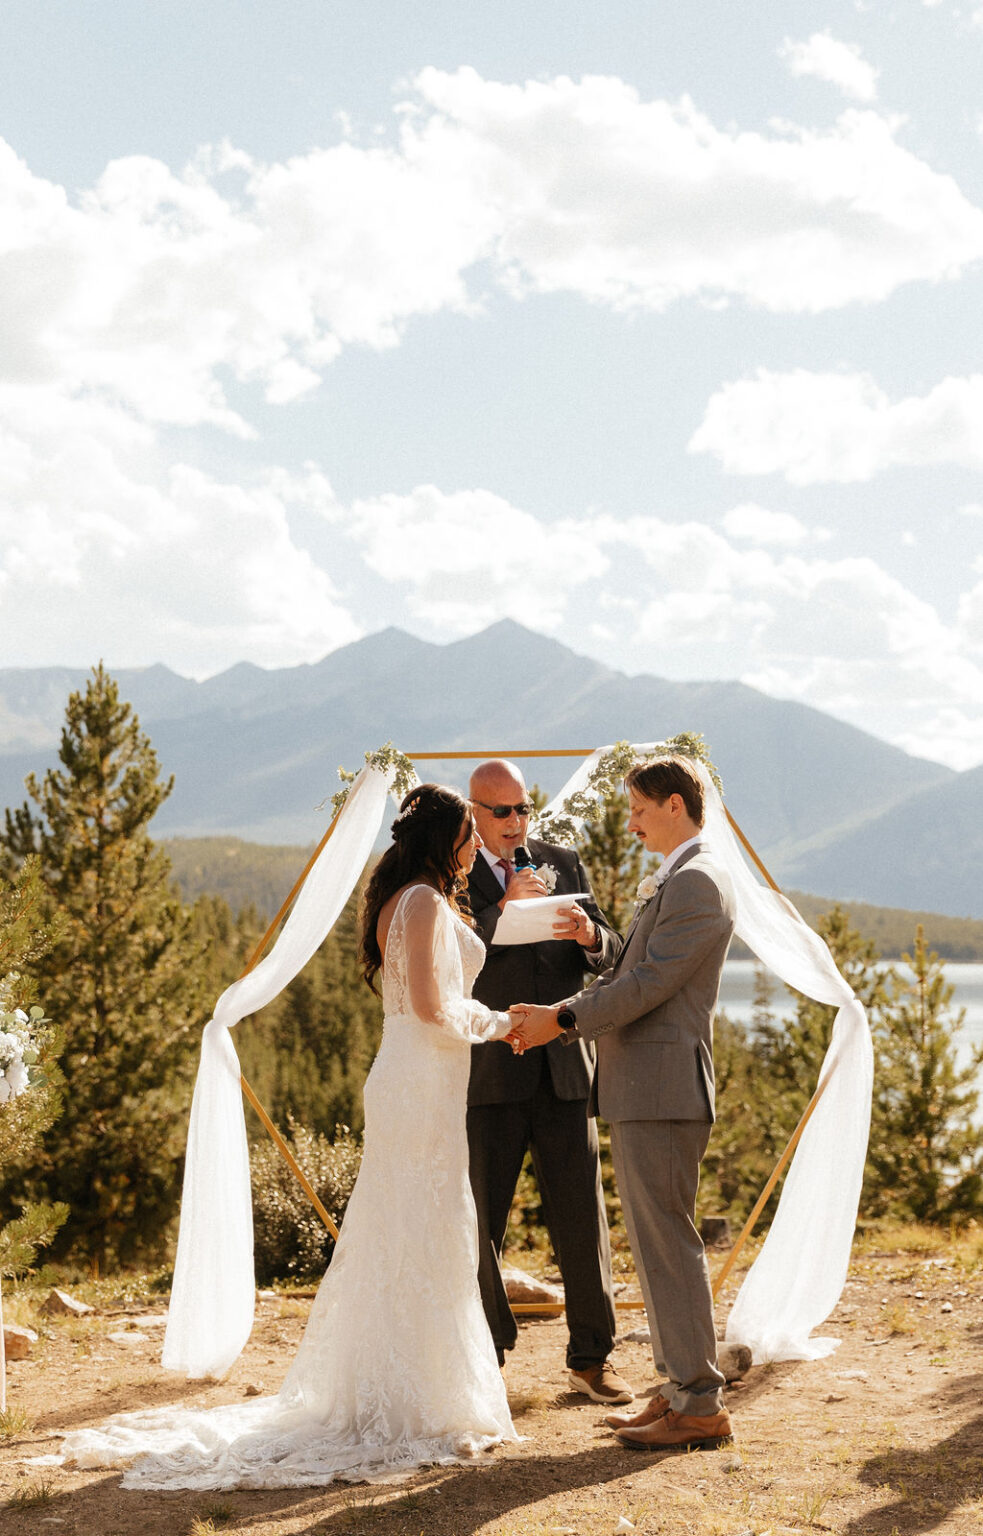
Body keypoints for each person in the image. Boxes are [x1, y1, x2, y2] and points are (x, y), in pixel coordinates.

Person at [50, 785, 519, 1489]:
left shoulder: (413, 898)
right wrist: (501, 1022)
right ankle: (412, 1400)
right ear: (444, 841)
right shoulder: (421, 901)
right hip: (419, 1078)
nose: (478, 842)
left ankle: (417, 1388)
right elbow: (427, 1005)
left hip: (425, 1078)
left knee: (412, 1227)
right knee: (417, 1226)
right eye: (468, 833)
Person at [509, 755, 736, 1452]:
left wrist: (561, 1017)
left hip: (663, 1088)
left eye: (638, 810)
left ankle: (699, 1403)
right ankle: (674, 1390)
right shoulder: (680, 878)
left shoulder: (697, 881)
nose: (631, 824)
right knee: (655, 1245)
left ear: (674, 805)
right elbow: (635, 972)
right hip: (644, 1087)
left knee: (669, 1247)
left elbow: (651, 988)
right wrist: (594, 947)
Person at [466, 758, 632, 1405]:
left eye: (522, 809)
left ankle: (591, 1359)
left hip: (563, 1067)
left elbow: (612, 953)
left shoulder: (562, 860)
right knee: (481, 1223)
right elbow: (446, 955)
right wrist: (501, 912)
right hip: (489, 1071)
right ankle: (486, 1358)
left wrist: (591, 934)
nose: (516, 823)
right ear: (474, 814)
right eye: (501, 811)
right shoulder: (454, 874)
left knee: (581, 1221)